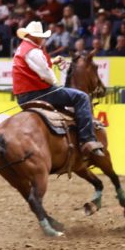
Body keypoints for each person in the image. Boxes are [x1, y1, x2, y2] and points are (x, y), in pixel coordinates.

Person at [12, 21, 104, 157]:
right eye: (41, 36)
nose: (43, 39)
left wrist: (52, 61)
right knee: (82, 97)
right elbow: (46, 74)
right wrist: (56, 85)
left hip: (24, 94)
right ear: (35, 36)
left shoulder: (24, 48)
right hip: (37, 93)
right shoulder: (33, 51)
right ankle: (87, 140)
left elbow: (37, 66)